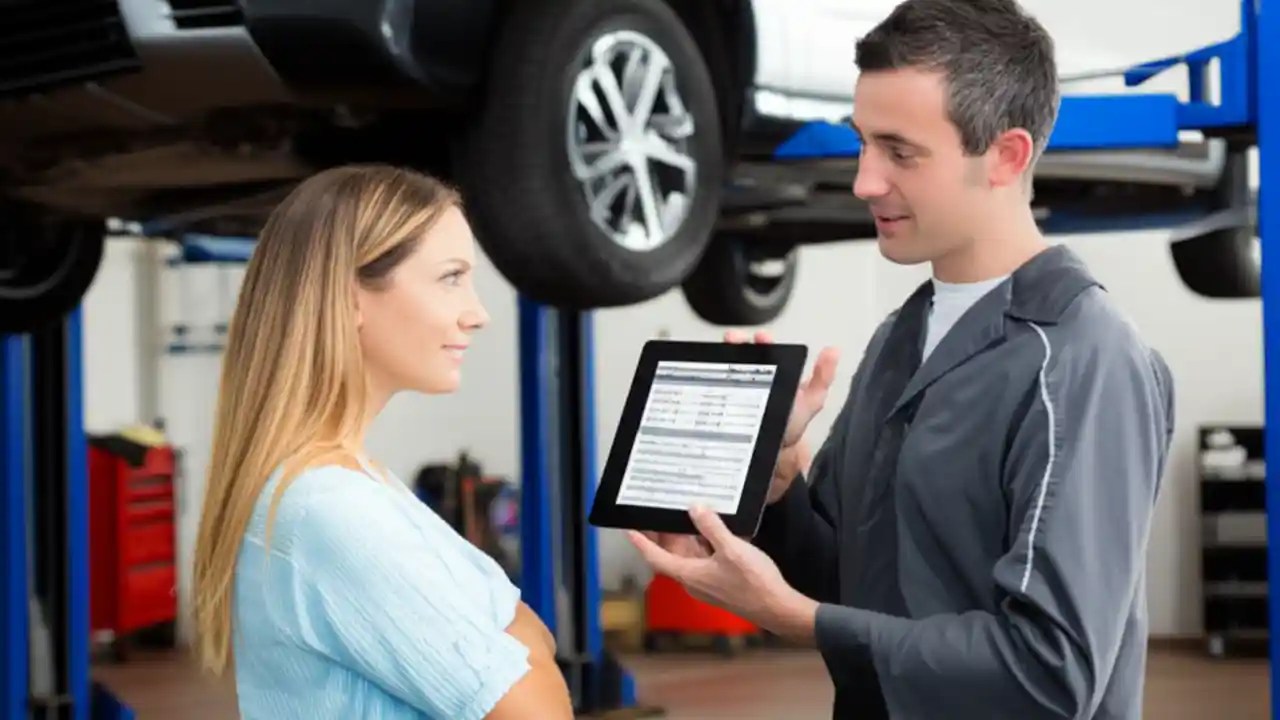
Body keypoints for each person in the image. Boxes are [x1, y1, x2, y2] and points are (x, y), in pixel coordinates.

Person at [628, 1, 1176, 718]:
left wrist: (799, 620)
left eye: (900, 151)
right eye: (862, 144)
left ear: (1005, 156)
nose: (863, 181)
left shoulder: (1082, 360)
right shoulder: (903, 336)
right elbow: (854, 581)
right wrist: (779, 482)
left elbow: (1052, 671)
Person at [191, 164, 574, 719]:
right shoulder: (333, 512)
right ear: (349, 299)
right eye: (451, 278)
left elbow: (534, 644)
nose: (478, 314)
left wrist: (520, 642)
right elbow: (533, 707)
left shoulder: (346, 483)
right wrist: (511, 635)